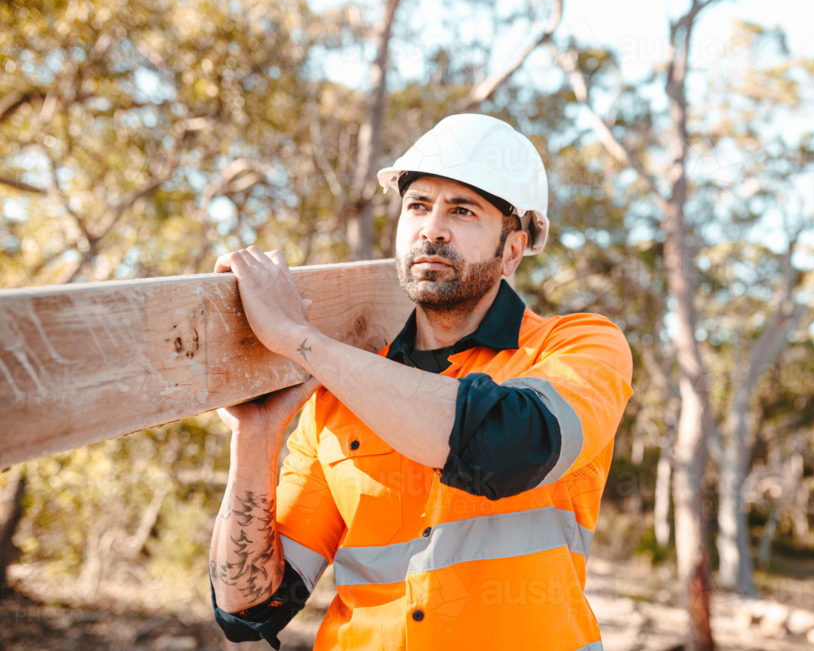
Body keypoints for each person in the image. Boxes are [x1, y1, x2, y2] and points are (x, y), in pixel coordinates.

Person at [208, 113, 633, 650]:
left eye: (462, 210)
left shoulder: (578, 347)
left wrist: (297, 337)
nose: (433, 228)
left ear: (513, 249)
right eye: (417, 206)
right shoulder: (338, 394)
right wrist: (255, 437)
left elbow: (505, 445)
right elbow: (250, 608)